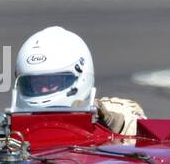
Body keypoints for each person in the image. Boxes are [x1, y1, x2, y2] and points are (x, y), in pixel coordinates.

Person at [11, 26, 144, 135]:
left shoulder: (120, 110)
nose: (44, 90)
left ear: (80, 76)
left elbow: (142, 139)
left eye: (52, 82)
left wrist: (110, 122)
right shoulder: (19, 129)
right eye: (37, 84)